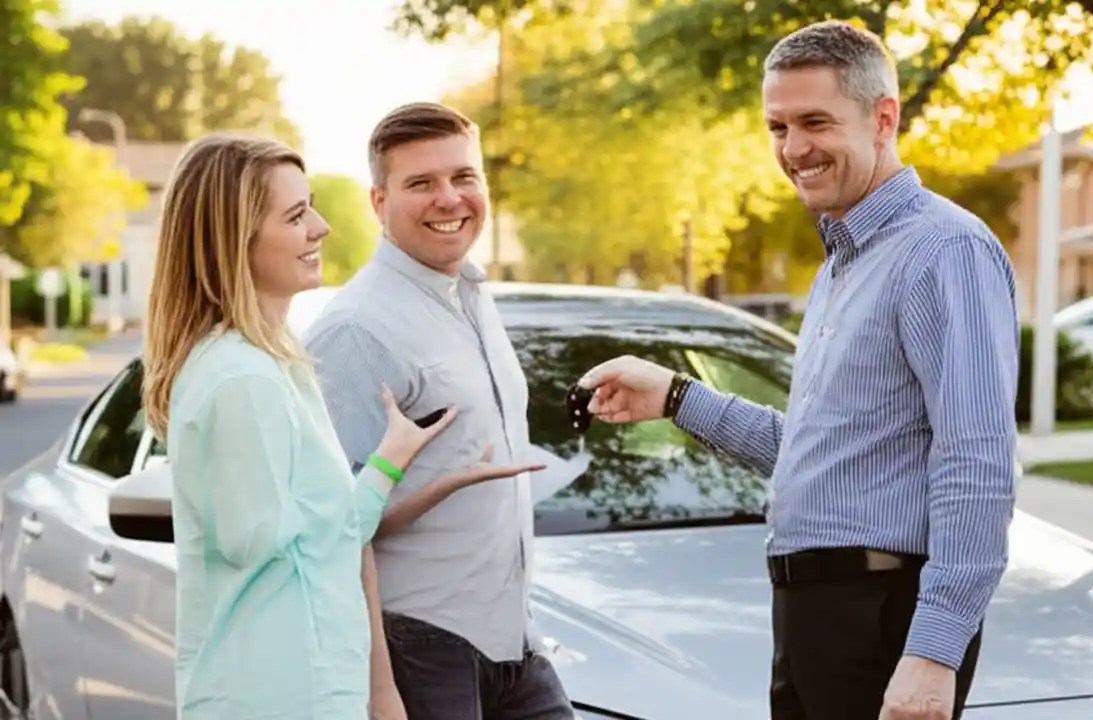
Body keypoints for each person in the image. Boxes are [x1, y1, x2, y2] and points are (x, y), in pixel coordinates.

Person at [578, 20, 1019, 720]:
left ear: (883, 118)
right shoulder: (843, 264)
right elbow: (824, 457)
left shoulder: (944, 250)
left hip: (882, 619)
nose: (793, 149)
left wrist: (932, 654)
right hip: (816, 618)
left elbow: (978, 461)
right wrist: (675, 396)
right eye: (777, 127)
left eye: (814, 122)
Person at [141, 134, 536, 719]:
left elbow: (317, 534)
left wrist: (390, 467)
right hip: (276, 697)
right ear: (236, 240)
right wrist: (384, 691)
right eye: (297, 215)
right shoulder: (238, 379)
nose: (321, 228)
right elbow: (268, 548)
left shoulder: (268, 364)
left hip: (315, 687)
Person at [303, 102, 575, 720]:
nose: (449, 199)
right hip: (418, 647)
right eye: (420, 184)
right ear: (379, 203)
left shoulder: (470, 292)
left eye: (463, 177)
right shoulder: (357, 329)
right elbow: (329, 526)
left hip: (513, 641)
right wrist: (379, 692)